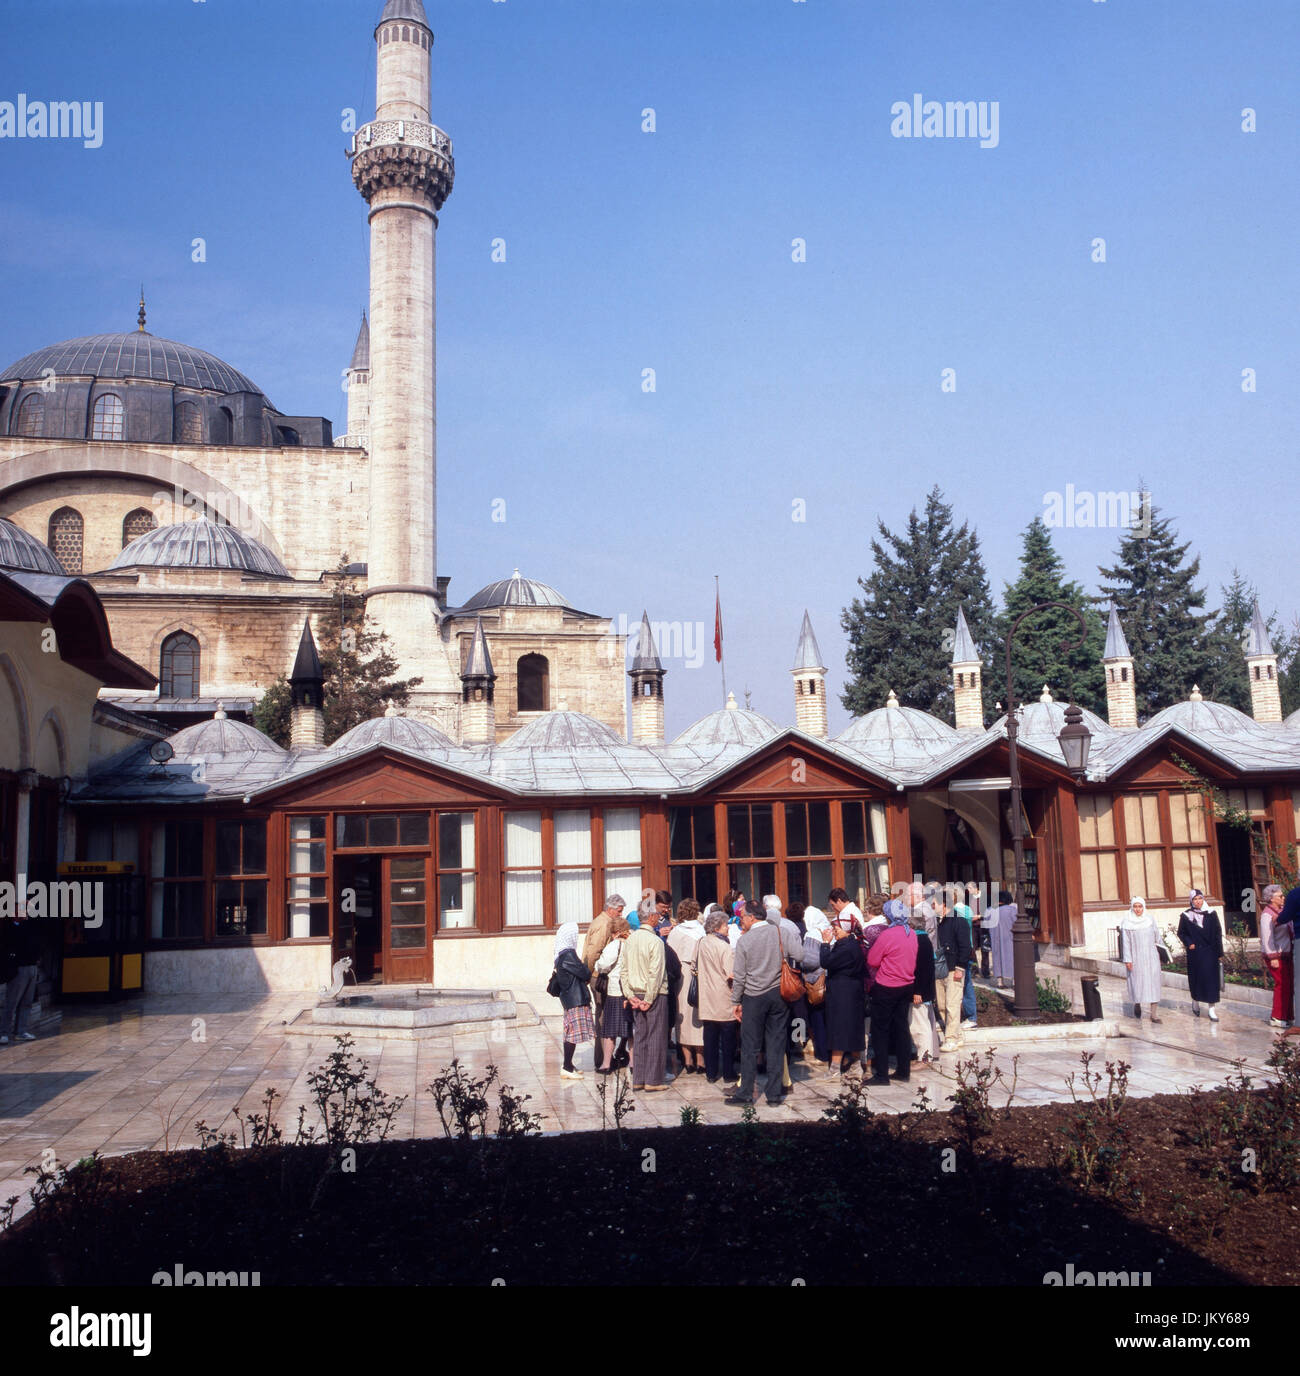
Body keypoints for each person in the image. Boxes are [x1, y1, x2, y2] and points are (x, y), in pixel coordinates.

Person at [724, 901, 790, 1107]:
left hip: (753, 996)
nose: (741, 920)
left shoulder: (745, 940)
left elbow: (741, 977)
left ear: (753, 917)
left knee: (750, 1047)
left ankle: (745, 1094)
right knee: (776, 1045)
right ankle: (774, 1094)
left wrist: (735, 1000)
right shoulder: (781, 933)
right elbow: (799, 955)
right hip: (778, 994)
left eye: (742, 916)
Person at [621, 897, 671, 1090]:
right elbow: (655, 973)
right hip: (654, 994)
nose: (659, 917)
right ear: (651, 917)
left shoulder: (630, 940)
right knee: (656, 1036)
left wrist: (630, 995)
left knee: (640, 1035)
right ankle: (653, 1080)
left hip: (636, 993)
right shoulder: (655, 941)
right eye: (657, 915)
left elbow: (624, 971)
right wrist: (649, 999)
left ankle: (639, 1079)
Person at [866, 899, 918, 1083]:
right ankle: (904, 1071)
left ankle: (881, 1074)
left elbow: (872, 960)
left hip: (886, 986)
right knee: (902, 1028)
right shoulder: (911, 933)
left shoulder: (887, 935)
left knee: (880, 1030)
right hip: (906, 985)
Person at [818, 912, 866, 1078]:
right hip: (851, 991)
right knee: (852, 1026)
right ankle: (855, 1065)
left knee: (839, 1027)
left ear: (846, 929)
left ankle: (835, 1068)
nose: (834, 931)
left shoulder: (846, 947)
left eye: (836, 928)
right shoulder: (851, 944)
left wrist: (825, 944)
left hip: (843, 992)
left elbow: (826, 961)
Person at [696, 908, 738, 1084]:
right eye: (726, 925)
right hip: (723, 996)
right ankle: (728, 1073)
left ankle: (711, 1073)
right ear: (719, 926)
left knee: (710, 1037)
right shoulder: (724, 946)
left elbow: (693, 966)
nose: (728, 928)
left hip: (706, 995)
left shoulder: (701, 942)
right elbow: (731, 973)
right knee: (728, 1039)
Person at [583, 893, 626, 1068]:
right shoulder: (604, 924)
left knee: (603, 1016)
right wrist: (588, 974)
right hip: (599, 977)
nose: (621, 915)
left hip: (598, 975)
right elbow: (594, 953)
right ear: (610, 909)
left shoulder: (602, 921)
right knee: (603, 1018)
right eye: (619, 911)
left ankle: (604, 1059)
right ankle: (603, 1060)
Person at [548, 923, 594, 1080]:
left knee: (569, 1032)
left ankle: (569, 1065)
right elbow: (585, 973)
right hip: (575, 999)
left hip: (569, 999)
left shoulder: (560, 954)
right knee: (572, 1034)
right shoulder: (569, 954)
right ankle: (567, 1067)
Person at [668, 899, 706, 1072]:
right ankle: (701, 1060)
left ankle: (687, 1060)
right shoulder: (702, 931)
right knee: (698, 1016)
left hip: (682, 976)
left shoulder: (676, 931)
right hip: (700, 974)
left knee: (682, 1014)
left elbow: (670, 956)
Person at [593, 914, 633, 1072]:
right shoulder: (633, 943)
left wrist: (597, 964)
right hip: (630, 991)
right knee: (630, 1030)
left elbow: (602, 965)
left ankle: (606, 1064)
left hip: (615, 991)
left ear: (615, 932)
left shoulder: (614, 946)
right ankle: (633, 1064)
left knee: (609, 1031)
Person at [935, 896, 972, 1051]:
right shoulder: (938, 921)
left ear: (943, 904)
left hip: (953, 969)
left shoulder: (959, 921)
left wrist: (960, 968)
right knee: (942, 1006)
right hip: (940, 969)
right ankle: (958, 1035)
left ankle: (951, 1039)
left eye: (934, 904)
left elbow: (965, 946)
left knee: (952, 1005)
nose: (932, 907)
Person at [0, 911, 42, 1044]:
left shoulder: (30, 925)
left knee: (27, 1002)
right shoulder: (10, 927)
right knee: (12, 1002)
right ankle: (4, 1032)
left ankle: (21, 1031)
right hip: (19, 968)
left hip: (32, 966)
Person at [1120, 895, 1162, 1024]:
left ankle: (1154, 1014)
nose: (1138, 909)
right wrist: (1128, 960)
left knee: (1153, 983)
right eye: (1135, 906)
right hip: (1136, 957)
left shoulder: (1150, 920)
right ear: (1132, 907)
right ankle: (1137, 1004)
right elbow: (1125, 943)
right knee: (1137, 983)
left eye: (1140, 906)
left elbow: (1158, 937)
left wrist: (1163, 953)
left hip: (1151, 957)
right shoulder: (1127, 922)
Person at [800, 906, 831, 1064]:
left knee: (817, 1018)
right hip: (830, 981)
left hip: (816, 982)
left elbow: (810, 960)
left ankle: (822, 1054)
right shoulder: (830, 929)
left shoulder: (812, 933)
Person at [908, 910, 939, 1065]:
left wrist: (917, 991)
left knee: (921, 1025)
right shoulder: (923, 939)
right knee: (918, 1024)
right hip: (922, 990)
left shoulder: (920, 941)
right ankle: (922, 1055)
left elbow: (922, 969)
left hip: (921, 992)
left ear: (912, 925)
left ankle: (925, 1058)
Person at [1257, 884, 1290, 1028]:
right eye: (1280, 896)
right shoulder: (1267, 915)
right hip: (1276, 956)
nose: (1283, 898)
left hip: (1286, 953)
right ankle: (1277, 1016)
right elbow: (1267, 938)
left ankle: (1288, 1016)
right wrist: (1273, 957)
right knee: (1281, 985)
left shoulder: (1283, 911)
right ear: (1271, 898)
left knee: (1288, 985)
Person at [954, 901, 978, 1029]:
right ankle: (970, 1016)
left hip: (960, 951)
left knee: (964, 984)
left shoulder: (956, 912)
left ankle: (970, 1016)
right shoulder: (967, 909)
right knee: (966, 983)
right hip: (968, 949)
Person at [985, 889, 1016, 988]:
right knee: (1013, 958)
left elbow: (986, 925)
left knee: (997, 958)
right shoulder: (1012, 910)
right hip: (1010, 938)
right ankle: (1015, 981)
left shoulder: (989, 910)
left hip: (995, 938)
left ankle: (1000, 982)